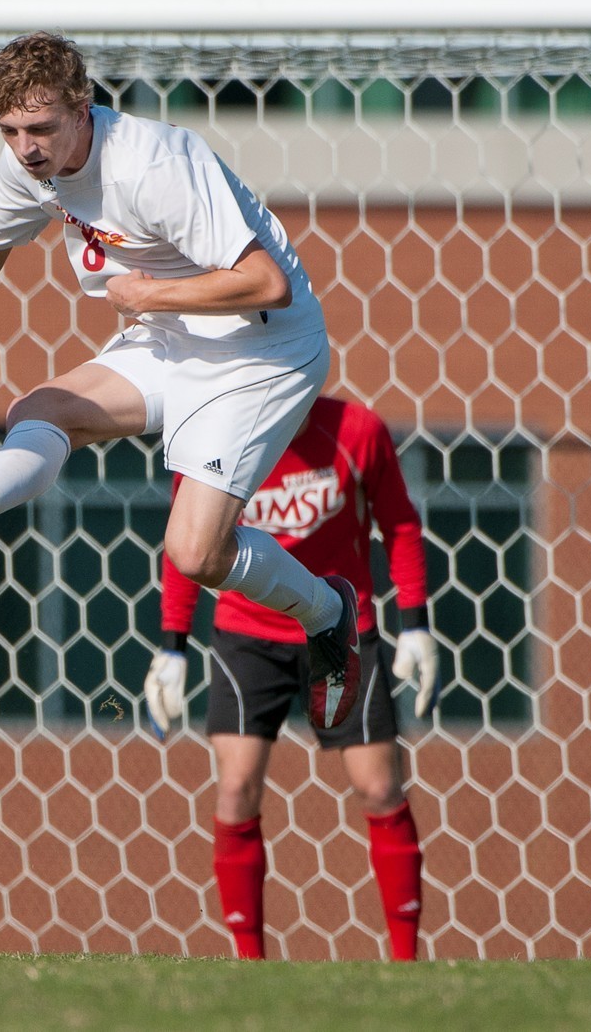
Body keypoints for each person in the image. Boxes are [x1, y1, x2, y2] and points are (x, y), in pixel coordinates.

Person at [0, 32, 361, 721]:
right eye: (11, 129)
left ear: (84, 107)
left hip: (262, 353)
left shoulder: (155, 164)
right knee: (42, 408)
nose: (26, 146)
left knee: (195, 551)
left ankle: (328, 610)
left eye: (42, 128)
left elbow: (267, 283)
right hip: (172, 332)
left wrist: (152, 298)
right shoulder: (29, 165)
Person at [143, 395, 443, 961]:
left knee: (380, 788)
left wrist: (417, 625)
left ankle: (407, 961)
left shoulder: (357, 430)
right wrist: (172, 647)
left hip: (341, 626)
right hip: (247, 632)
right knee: (235, 790)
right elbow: (184, 541)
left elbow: (399, 524)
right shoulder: (218, 437)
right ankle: (249, 964)